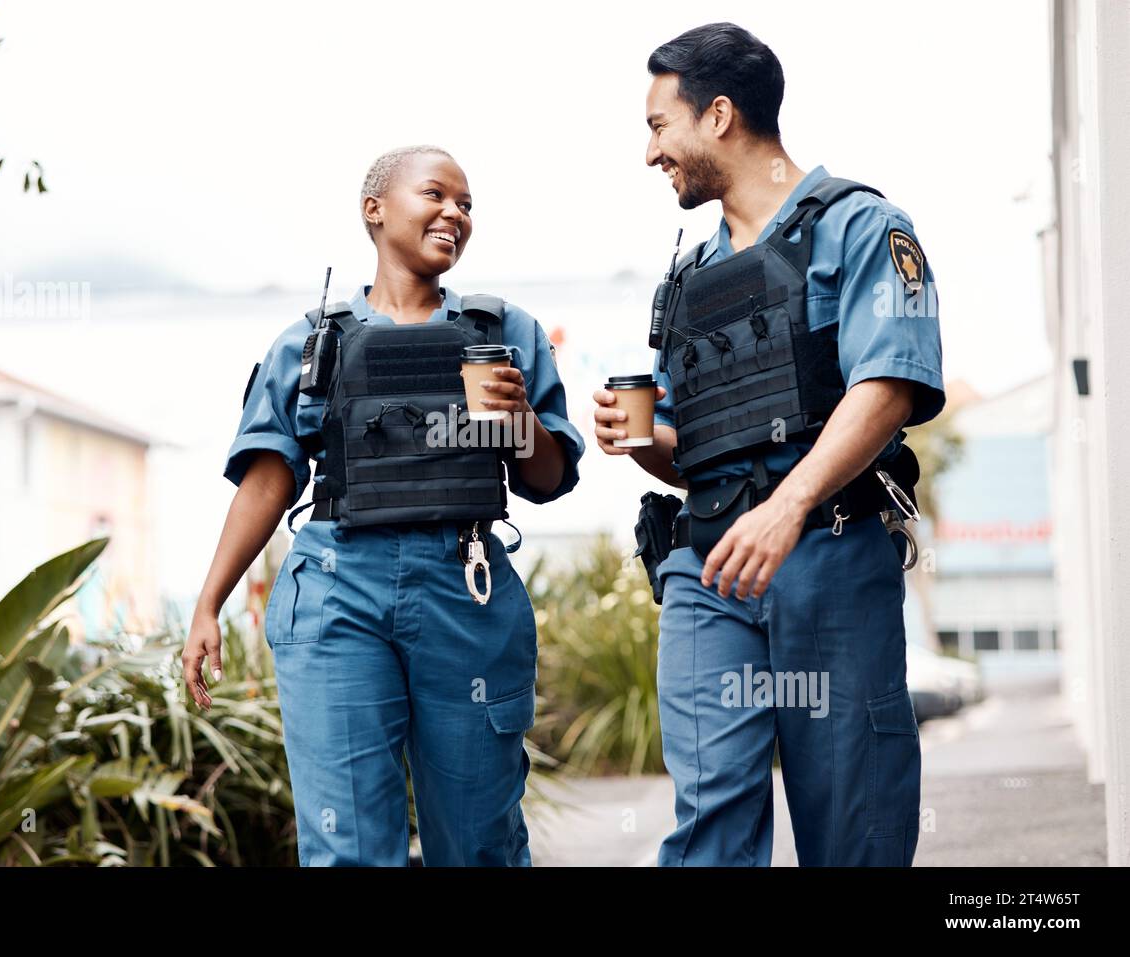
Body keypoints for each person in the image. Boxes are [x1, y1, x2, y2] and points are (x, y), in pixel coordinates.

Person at [594, 23, 944, 866]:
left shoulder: (862, 227)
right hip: (709, 570)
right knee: (709, 821)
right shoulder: (688, 277)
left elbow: (889, 385)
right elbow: (694, 452)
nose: (650, 154)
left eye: (657, 126)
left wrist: (788, 508)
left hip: (828, 555)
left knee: (852, 828)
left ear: (718, 115)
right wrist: (637, 438)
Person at [182, 145, 584, 866]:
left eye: (467, 206)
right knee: (348, 847)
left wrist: (518, 417)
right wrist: (210, 602)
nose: (455, 214)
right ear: (375, 209)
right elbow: (269, 477)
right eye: (436, 195)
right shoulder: (313, 343)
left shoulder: (502, 333)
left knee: (479, 841)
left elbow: (548, 478)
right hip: (338, 589)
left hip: (465, 588)